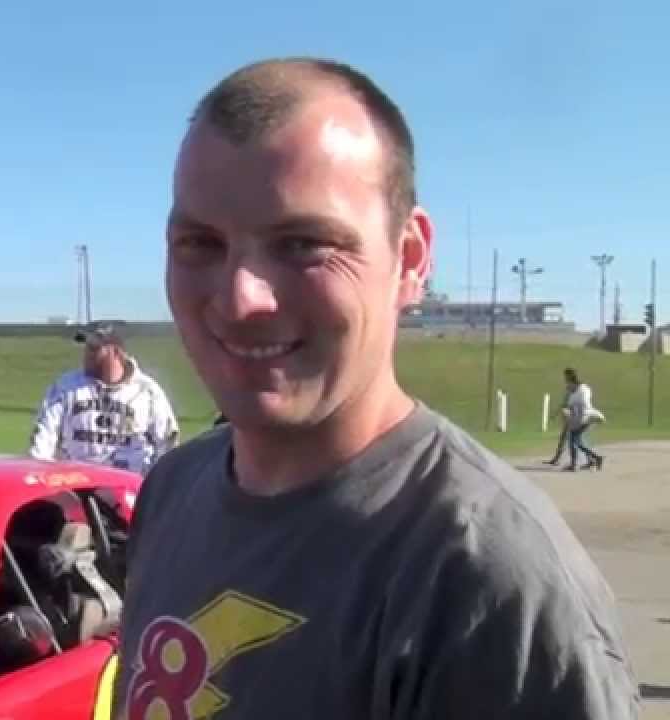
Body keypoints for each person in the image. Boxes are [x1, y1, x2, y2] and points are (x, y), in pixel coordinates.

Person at [114, 57, 638, 718]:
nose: (241, 297)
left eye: (303, 243)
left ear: (411, 259)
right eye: (199, 243)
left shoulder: (489, 580)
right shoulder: (170, 494)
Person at [28, 321, 179, 475]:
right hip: (76, 486)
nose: (86, 354)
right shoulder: (66, 387)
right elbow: (42, 442)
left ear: (116, 352)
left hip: (131, 488)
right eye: (86, 347)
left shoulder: (147, 392)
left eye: (94, 349)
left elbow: (168, 446)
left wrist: (156, 488)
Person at [563, 367, 606, 472]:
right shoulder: (574, 393)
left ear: (571, 379)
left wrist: (574, 421)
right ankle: (593, 459)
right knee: (577, 441)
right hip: (582, 418)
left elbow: (584, 408)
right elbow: (570, 407)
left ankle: (578, 464)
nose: (566, 383)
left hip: (587, 417)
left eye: (566, 379)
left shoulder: (582, 390)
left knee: (574, 440)